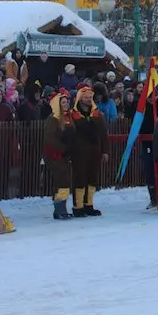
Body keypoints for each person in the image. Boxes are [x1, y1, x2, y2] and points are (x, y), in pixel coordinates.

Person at [70, 86, 108, 217]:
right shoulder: (73, 115)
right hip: (79, 152)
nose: (88, 100)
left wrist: (104, 151)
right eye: (86, 97)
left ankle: (89, 205)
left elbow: (103, 134)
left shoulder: (98, 115)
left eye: (90, 97)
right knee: (79, 178)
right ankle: (78, 206)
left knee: (93, 178)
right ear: (80, 99)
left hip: (95, 151)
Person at [44, 90, 76, 220]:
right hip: (55, 154)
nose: (66, 104)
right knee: (62, 179)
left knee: (66, 178)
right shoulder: (53, 119)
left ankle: (61, 207)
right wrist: (63, 148)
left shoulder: (68, 117)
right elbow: (50, 139)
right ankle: (59, 208)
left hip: (65, 153)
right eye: (63, 102)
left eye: (67, 102)